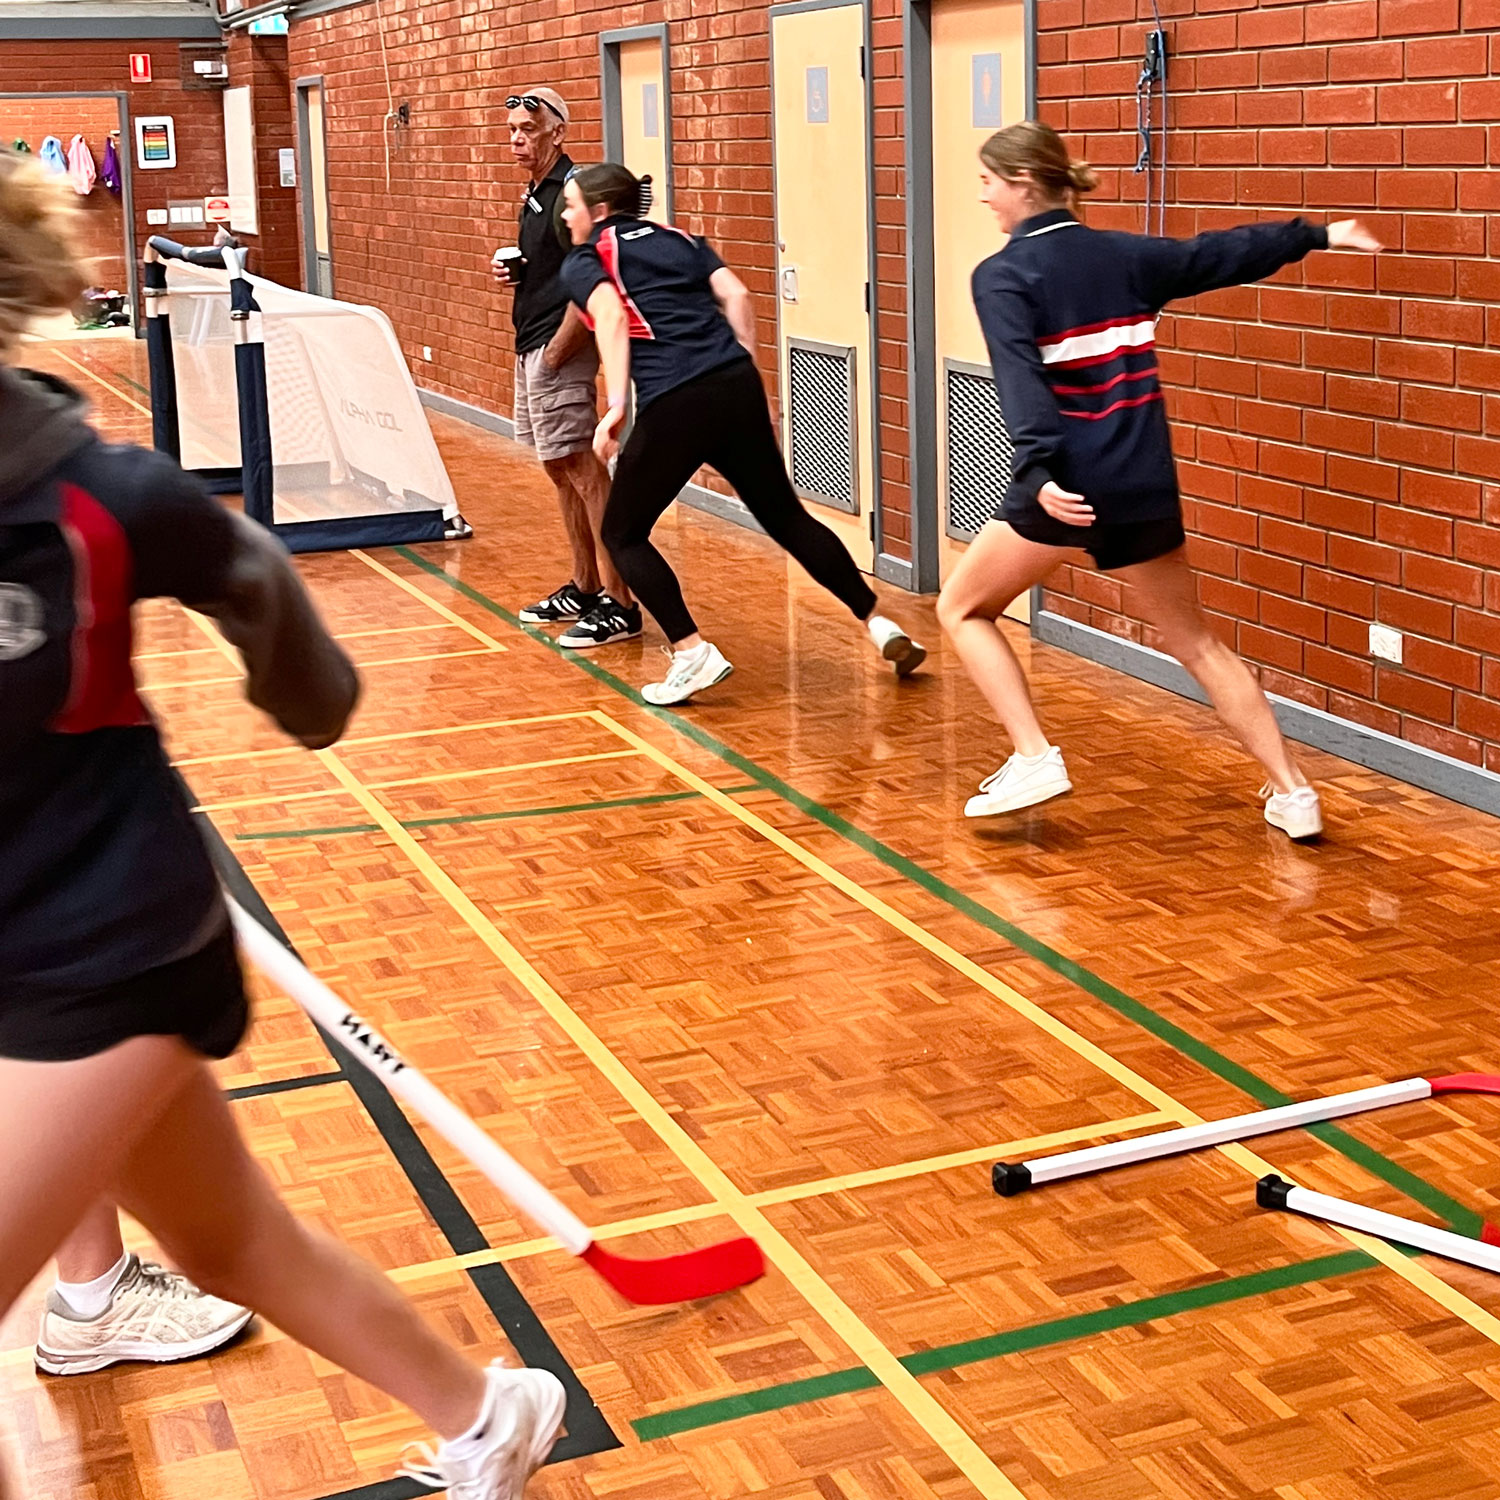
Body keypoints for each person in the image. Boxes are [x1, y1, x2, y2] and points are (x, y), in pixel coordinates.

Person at [0, 147, 562, 1500]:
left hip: (105, 944)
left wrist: (297, 678)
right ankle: (489, 1410)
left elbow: (269, 606)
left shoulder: (98, 499)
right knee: (233, 1241)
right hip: (22, 940)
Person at [936, 120, 1381, 839]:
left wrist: (1040, 473)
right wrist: (1318, 234)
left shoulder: (1004, 275)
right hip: (1142, 481)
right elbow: (1220, 254)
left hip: (1067, 485)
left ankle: (1034, 754)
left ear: (1022, 183)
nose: (983, 195)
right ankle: (1294, 794)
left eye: (988, 181)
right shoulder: (1126, 258)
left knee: (962, 607)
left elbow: (1021, 385)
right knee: (1198, 642)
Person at [557, 163, 925, 706]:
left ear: (601, 211)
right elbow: (737, 297)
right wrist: (746, 375)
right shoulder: (679, 239)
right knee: (786, 517)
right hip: (734, 383)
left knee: (623, 533)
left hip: (675, 398)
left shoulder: (587, 259)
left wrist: (615, 407)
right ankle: (880, 624)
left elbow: (610, 317)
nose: (567, 216)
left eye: (572, 205)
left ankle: (690, 653)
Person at [491, 88, 640, 650]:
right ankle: (584, 583)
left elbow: (600, 276)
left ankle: (619, 601)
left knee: (582, 468)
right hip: (531, 340)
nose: (517, 139)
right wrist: (521, 272)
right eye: (511, 130)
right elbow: (559, 266)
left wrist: (559, 349)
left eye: (528, 129)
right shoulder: (537, 193)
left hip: (558, 348)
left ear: (558, 131)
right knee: (559, 468)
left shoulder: (568, 195)